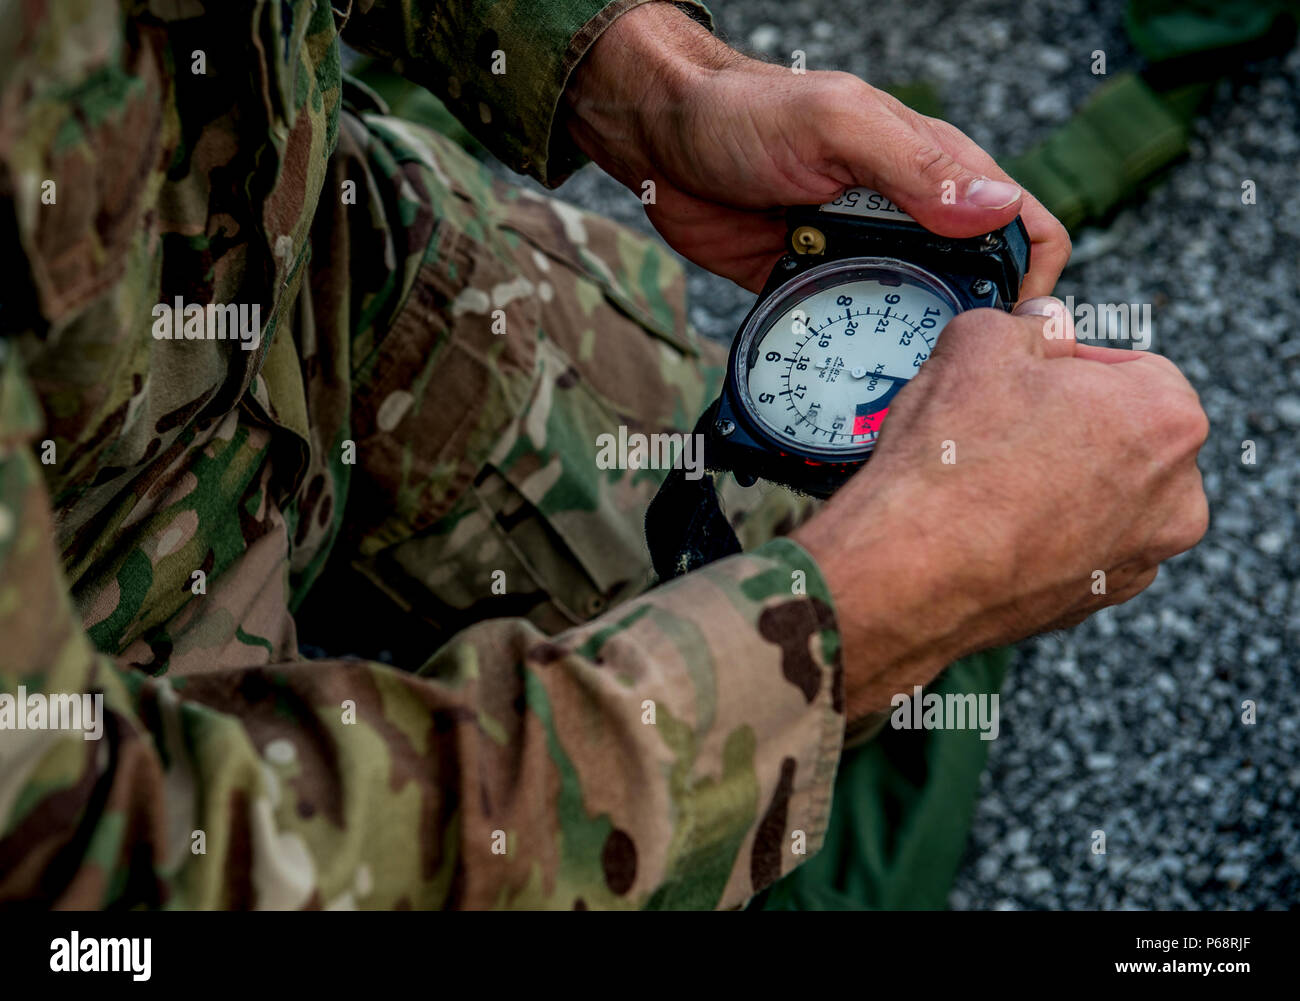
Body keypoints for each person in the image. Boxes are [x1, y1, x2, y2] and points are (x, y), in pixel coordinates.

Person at [0, 0, 1207, 908]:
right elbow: (81, 859)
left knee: (757, 559)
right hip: (90, 678)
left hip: (308, 247)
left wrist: (638, 77)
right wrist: (894, 601)